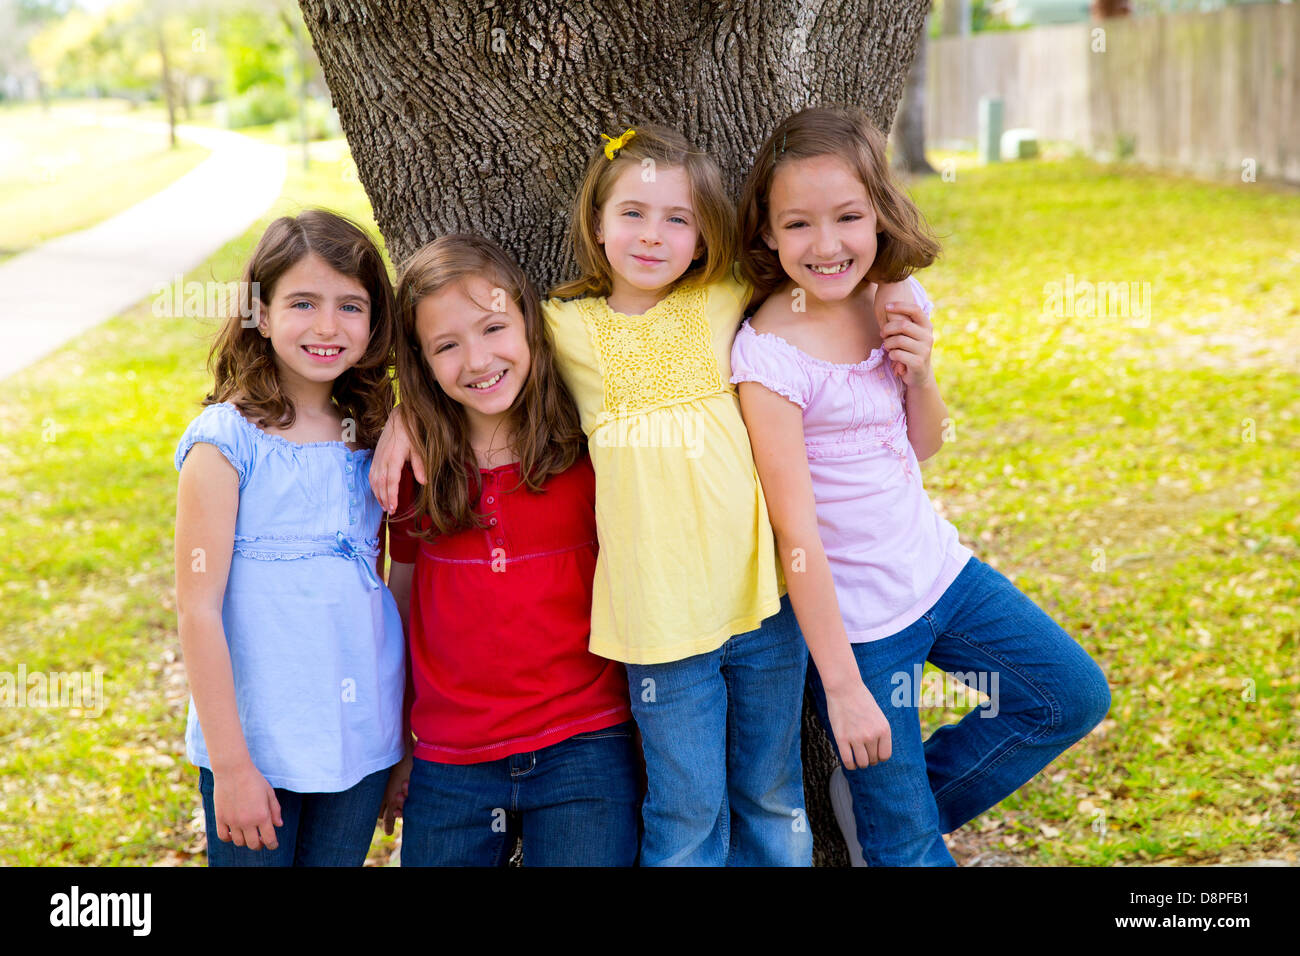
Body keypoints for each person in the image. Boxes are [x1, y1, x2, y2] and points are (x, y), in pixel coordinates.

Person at [730, 105, 1112, 866]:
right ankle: (895, 826)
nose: (828, 243)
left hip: (942, 575)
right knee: (909, 854)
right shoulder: (769, 357)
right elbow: (794, 534)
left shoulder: (894, 298)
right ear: (768, 233)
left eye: (848, 216)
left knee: (1069, 696)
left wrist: (921, 372)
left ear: (879, 211)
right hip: (862, 629)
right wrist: (841, 688)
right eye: (799, 224)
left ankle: (896, 810)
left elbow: (925, 444)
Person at [383, 234, 638, 867]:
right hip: (451, 755)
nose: (476, 359)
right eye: (446, 345)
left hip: (583, 740)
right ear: (421, 362)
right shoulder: (416, 468)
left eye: (493, 327)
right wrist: (400, 745)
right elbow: (403, 601)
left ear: (528, 317)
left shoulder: (587, 444)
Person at [173, 209, 407, 866]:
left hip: (359, 737)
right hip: (255, 745)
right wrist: (233, 766)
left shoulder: (375, 430)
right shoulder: (226, 442)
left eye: (350, 306)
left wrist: (402, 743)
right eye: (303, 302)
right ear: (263, 313)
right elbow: (197, 609)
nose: (327, 326)